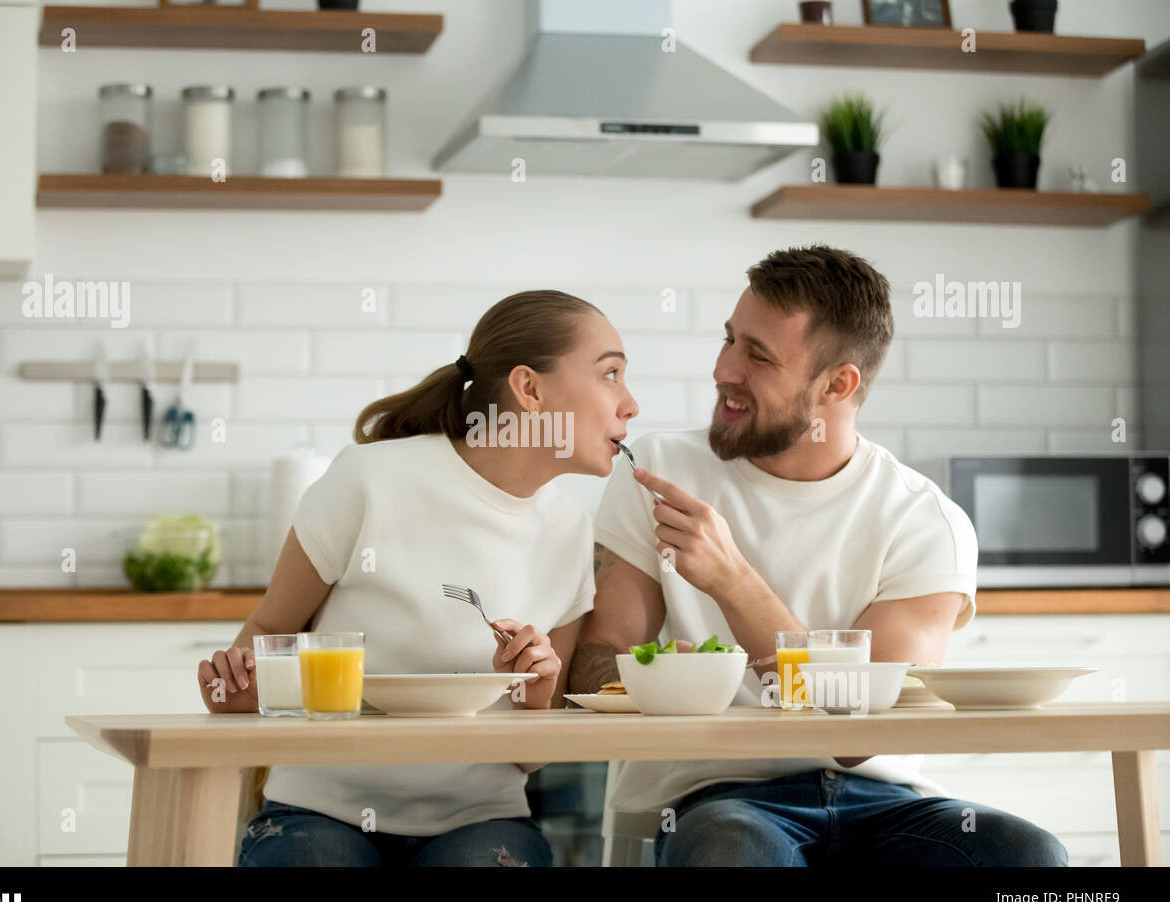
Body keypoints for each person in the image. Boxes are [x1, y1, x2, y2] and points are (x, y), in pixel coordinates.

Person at [570, 244, 1068, 867]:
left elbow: (856, 733)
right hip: (719, 796)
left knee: (1029, 856)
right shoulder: (660, 471)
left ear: (839, 383)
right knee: (737, 847)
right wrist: (660, 678)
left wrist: (733, 581)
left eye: (758, 355)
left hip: (884, 801)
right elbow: (595, 663)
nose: (724, 369)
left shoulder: (923, 519)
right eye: (730, 340)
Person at [197, 289, 639, 866]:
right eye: (611, 374)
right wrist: (240, 688)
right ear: (530, 390)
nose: (630, 405)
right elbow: (268, 633)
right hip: (318, 812)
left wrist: (536, 701)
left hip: (481, 824)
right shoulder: (369, 480)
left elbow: (529, 758)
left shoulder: (572, 534)